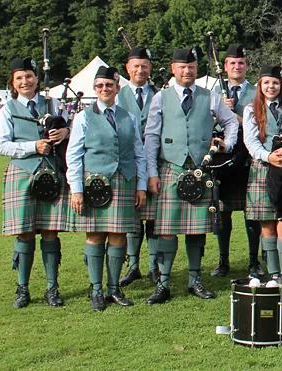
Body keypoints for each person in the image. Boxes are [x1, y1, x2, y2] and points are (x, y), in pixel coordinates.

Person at [143, 48, 239, 304]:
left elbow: (232, 122)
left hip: (199, 169)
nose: (187, 71)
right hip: (170, 168)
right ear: (173, 69)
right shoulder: (160, 98)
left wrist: (226, 144)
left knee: (196, 230)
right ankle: (163, 283)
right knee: (165, 230)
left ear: (197, 69)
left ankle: (194, 279)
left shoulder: (210, 97)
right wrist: (151, 173)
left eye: (192, 67)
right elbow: (151, 137)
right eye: (182, 67)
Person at [66, 66, 147, 311]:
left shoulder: (128, 117)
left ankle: (114, 289)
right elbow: (74, 155)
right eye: (100, 86)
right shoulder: (82, 117)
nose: (104, 89)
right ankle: (96, 290)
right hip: (95, 183)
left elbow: (139, 155)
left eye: (109, 85)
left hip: (124, 181)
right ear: (95, 89)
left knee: (119, 235)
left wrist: (141, 187)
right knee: (95, 235)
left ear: (117, 88)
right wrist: (76, 189)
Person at [0, 57, 70, 308]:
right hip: (22, 174)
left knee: (50, 231)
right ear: (13, 83)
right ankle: (23, 289)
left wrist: (65, 132)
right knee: (25, 232)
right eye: (19, 78)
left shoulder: (53, 103)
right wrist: (32, 146)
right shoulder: (8, 109)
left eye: (29, 76)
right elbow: (1, 145)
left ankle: (52, 288)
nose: (25, 81)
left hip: (52, 172)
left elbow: (70, 126)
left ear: (37, 79)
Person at [242, 65, 282, 283]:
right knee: (268, 226)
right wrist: (267, 156)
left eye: (275, 83)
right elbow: (250, 141)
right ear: (260, 85)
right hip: (263, 169)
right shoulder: (251, 110)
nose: (271, 87)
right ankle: (274, 274)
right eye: (267, 83)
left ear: (281, 85)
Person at [210, 44, 263, 278]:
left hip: (248, 159)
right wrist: (217, 114)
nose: (237, 66)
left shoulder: (257, 92)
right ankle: (223, 261)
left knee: (251, 212)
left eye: (241, 63)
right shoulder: (213, 93)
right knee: (223, 213)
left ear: (246, 66)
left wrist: (237, 118)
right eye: (232, 63)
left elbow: (264, 125)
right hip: (222, 161)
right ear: (225, 66)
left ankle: (254, 261)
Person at [117, 47, 160, 287]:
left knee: (153, 217)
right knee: (133, 216)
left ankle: (153, 265)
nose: (140, 70)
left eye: (144, 66)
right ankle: (133, 266)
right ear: (128, 68)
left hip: (154, 162)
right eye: (136, 66)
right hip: (127, 164)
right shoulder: (117, 94)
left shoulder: (160, 94)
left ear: (149, 68)